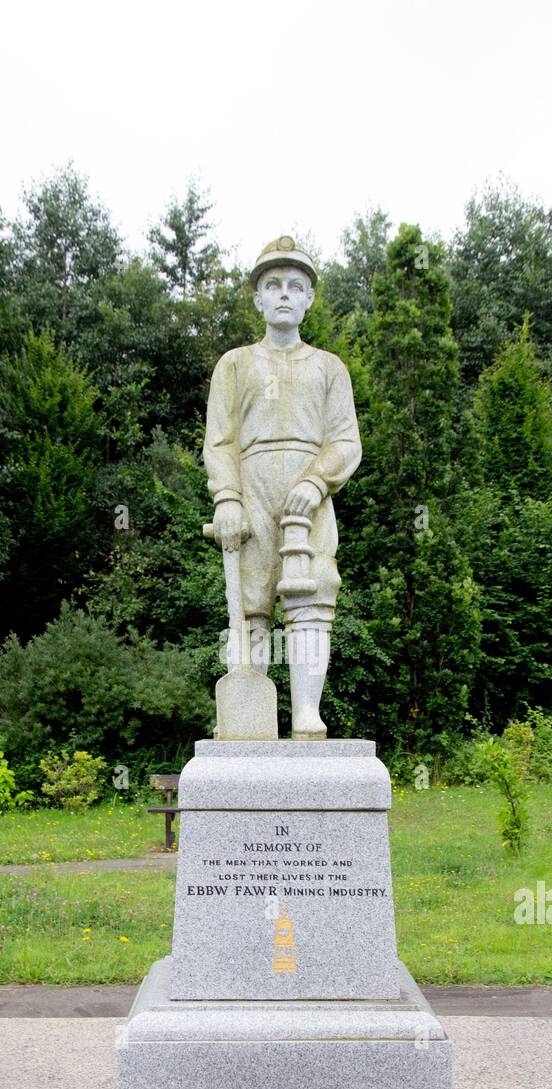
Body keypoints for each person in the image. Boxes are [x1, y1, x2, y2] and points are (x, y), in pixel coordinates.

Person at [204, 236, 361, 738]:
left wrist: (317, 482)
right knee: (251, 602)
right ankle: (250, 720)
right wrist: (227, 497)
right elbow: (220, 441)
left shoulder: (329, 367)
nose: (285, 295)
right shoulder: (234, 364)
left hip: (308, 503)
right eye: (273, 285)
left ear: (310, 298)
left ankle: (305, 715)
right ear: (258, 298)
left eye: (296, 285)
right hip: (252, 492)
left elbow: (345, 441)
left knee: (311, 595)